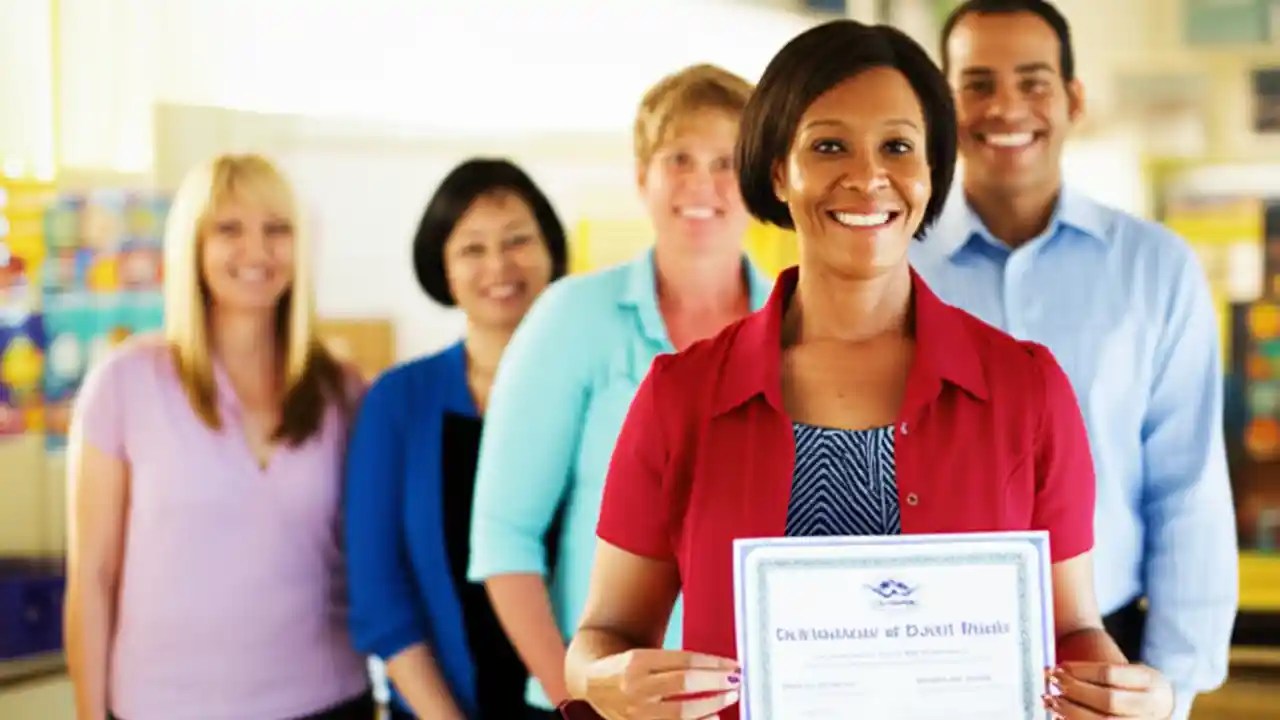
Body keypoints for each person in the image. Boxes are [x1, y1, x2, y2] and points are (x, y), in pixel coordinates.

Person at [563, 19, 1179, 720]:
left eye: (898, 146)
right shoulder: (681, 396)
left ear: (932, 169)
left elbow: (1074, 631)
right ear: (776, 171)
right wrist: (602, 683)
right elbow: (600, 637)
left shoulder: (1028, 388)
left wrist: (1130, 695)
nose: (867, 176)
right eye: (828, 145)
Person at [910, 2, 1238, 717]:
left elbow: (1186, 487)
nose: (1005, 107)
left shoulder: (1154, 267)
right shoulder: (893, 261)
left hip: (1108, 644)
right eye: (977, 83)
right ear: (942, 103)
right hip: (918, 638)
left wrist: (1173, 688)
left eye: (1032, 82)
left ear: (1073, 99)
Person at [465, 63, 774, 718]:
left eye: (725, 162)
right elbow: (503, 538)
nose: (701, 184)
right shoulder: (572, 317)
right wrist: (576, 698)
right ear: (642, 178)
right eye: (678, 159)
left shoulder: (798, 326)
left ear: (759, 179)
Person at [63, 154, 372, 720]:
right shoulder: (124, 382)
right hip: (163, 706)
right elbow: (92, 577)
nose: (257, 251)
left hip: (326, 699)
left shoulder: (342, 388)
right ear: (194, 247)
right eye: (229, 229)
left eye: (277, 229)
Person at [343, 158, 569, 719]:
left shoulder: (599, 390)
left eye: (518, 240)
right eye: (472, 248)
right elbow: (379, 598)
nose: (498, 264)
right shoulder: (398, 402)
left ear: (550, 253)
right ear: (442, 268)